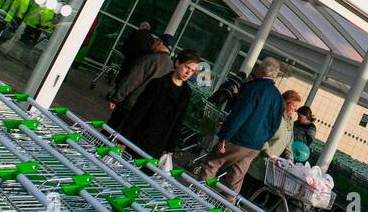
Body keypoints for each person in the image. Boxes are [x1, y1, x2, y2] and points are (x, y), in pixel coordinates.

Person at [200, 57, 284, 195]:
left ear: (261, 70)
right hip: (255, 146)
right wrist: (262, 139)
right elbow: (275, 124)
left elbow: (240, 114)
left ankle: (196, 198)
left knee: (212, 164)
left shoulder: (253, 88)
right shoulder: (278, 97)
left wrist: (224, 137)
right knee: (235, 178)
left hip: (239, 138)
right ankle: (226, 209)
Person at [115, 51, 201, 161]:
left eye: (192, 70)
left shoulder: (186, 92)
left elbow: (179, 120)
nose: (188, 73)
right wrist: (124, 139)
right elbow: (137, 112)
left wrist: (170, 147)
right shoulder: (158, 84)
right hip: (140, 137)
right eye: (187, 67)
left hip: (159, 143)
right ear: (178, 63)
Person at [108, 34, 174, 132]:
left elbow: (131, 81)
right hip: (146, 110)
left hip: (130, 103)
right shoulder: (171, 68)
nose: (153, 43)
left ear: (160, 43)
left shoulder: (148, 59)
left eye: (156, 40)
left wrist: (116, 98)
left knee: (110, 131)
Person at [114, 21, 155, 90]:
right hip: (140, 63)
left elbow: (126, 46)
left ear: (141, 27)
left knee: (123, 76)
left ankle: (116, 90)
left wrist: (125, 53)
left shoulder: (135, 33)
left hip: (130, 59)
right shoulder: (152, 39)